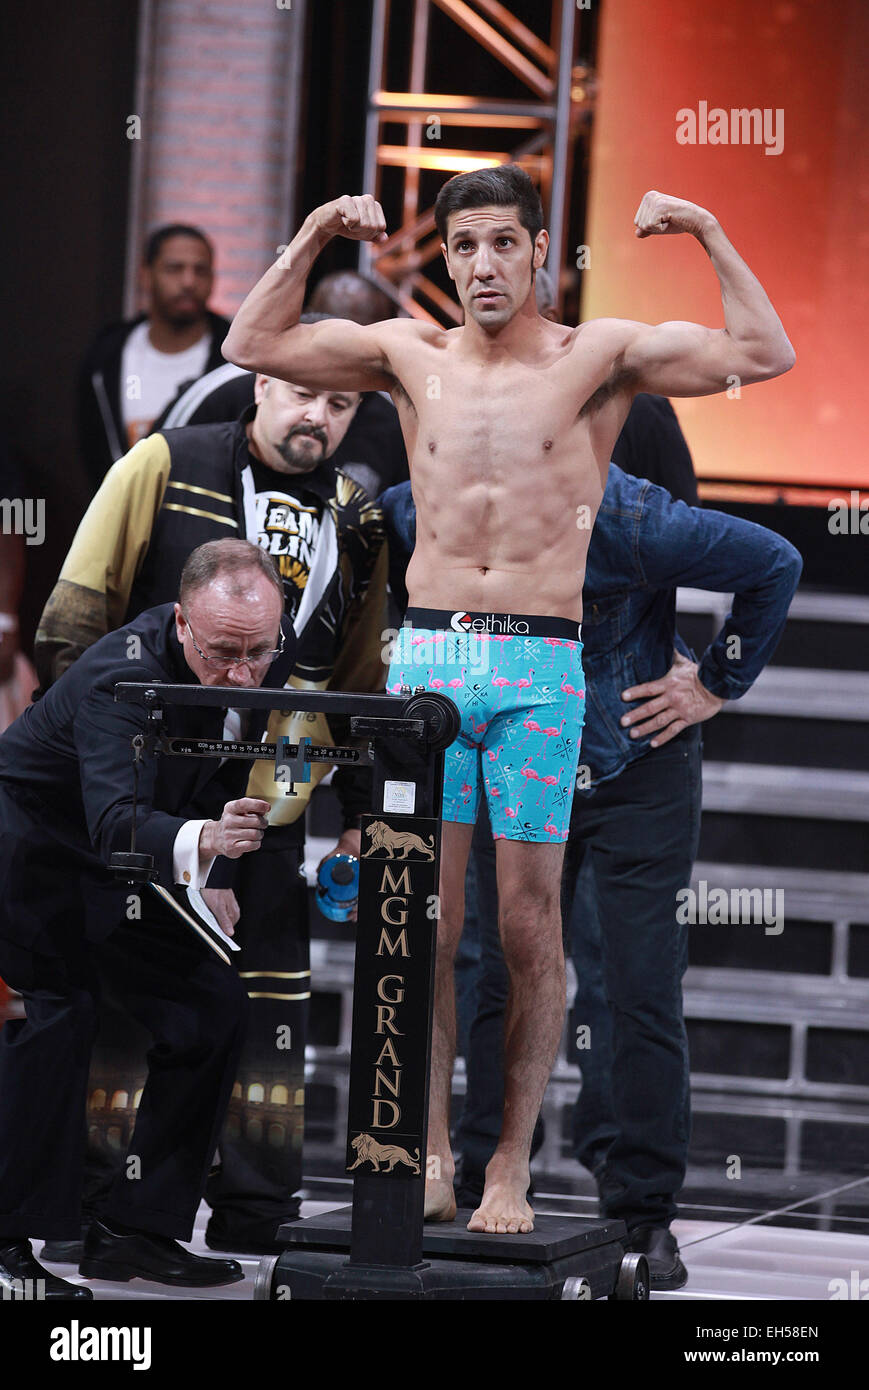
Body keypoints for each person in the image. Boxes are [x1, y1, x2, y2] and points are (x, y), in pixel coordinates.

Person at [221, 164, 795, 1234]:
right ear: (443, 259)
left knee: (530, 929)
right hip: (431, 663)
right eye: (462, 245)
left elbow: (764, 354)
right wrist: (314, 231)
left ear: (538, 250)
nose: (482, 264)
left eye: (501, 243)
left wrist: (706, 228)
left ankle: (509, 1169)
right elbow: (250, 342)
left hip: (538, 668)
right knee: (426, 927)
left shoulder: (597, 354)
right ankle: (431, 1151)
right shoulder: (407, 352)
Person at [379, 468, 802, 1286]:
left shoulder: (629, 517)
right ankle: (483, 1171)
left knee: (639, 986)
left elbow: (774, 561)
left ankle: (642, 1211)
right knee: (492, 969)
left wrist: (714, 683)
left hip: (631, 761)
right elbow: (398, 590)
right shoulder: (423, 499)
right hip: (504, 756)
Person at [34, 355, 389, 1256]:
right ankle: (84, 1210)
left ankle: (248, 1210)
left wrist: (358, 813)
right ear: (260, 382)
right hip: (135, 799)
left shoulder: (357, 515)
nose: (317, 414)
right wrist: (99, 773)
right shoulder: (166, 459)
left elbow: (360, 677)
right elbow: (75, 618)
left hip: (268, 801)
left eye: (340, 402)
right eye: (301, 391)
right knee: (120, 1008)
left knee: (259, 1010)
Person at [0, 540, 296, 1297]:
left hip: (126, 857)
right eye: (223, 653)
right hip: (32, 843)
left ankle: (136, 1230)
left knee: (211, 1010)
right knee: (62, 1013)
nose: (243, 673)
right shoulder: (121, 676)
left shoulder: (263, 650)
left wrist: (213, 869)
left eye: (258, 652)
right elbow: (116, 824)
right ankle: (5, 1243)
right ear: (182, 623)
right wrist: (204, 841)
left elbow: (228, 757)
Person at [79, 224, 230, 492]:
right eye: (174, 268)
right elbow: (93, 444)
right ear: (146, 276)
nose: (188, 282)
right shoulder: (106, 358)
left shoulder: (232, 360)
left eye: (200, 270)